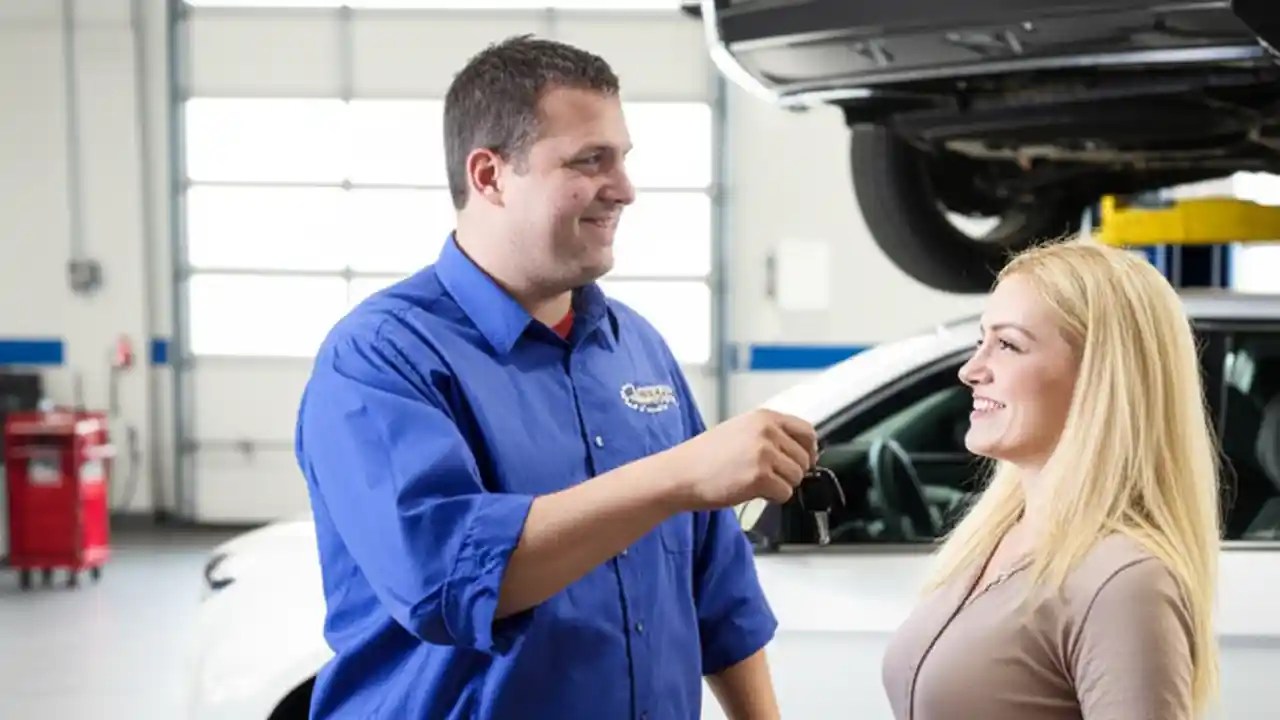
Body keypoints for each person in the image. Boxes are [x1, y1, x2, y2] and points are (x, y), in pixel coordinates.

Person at [294, 35, 815, 720]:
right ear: (490, 176)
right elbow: (449, 579)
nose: (624, 189)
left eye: (622, 159)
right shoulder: (379, 359)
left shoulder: (637, 349)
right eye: (588, 161)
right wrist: (676, 477)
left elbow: (717, 591)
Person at [881, 239, 1222, 719]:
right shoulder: (998, 537)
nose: (971, 369)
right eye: (982, 340)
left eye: (1008, 345)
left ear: (1100, 377)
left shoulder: (1124, 581)